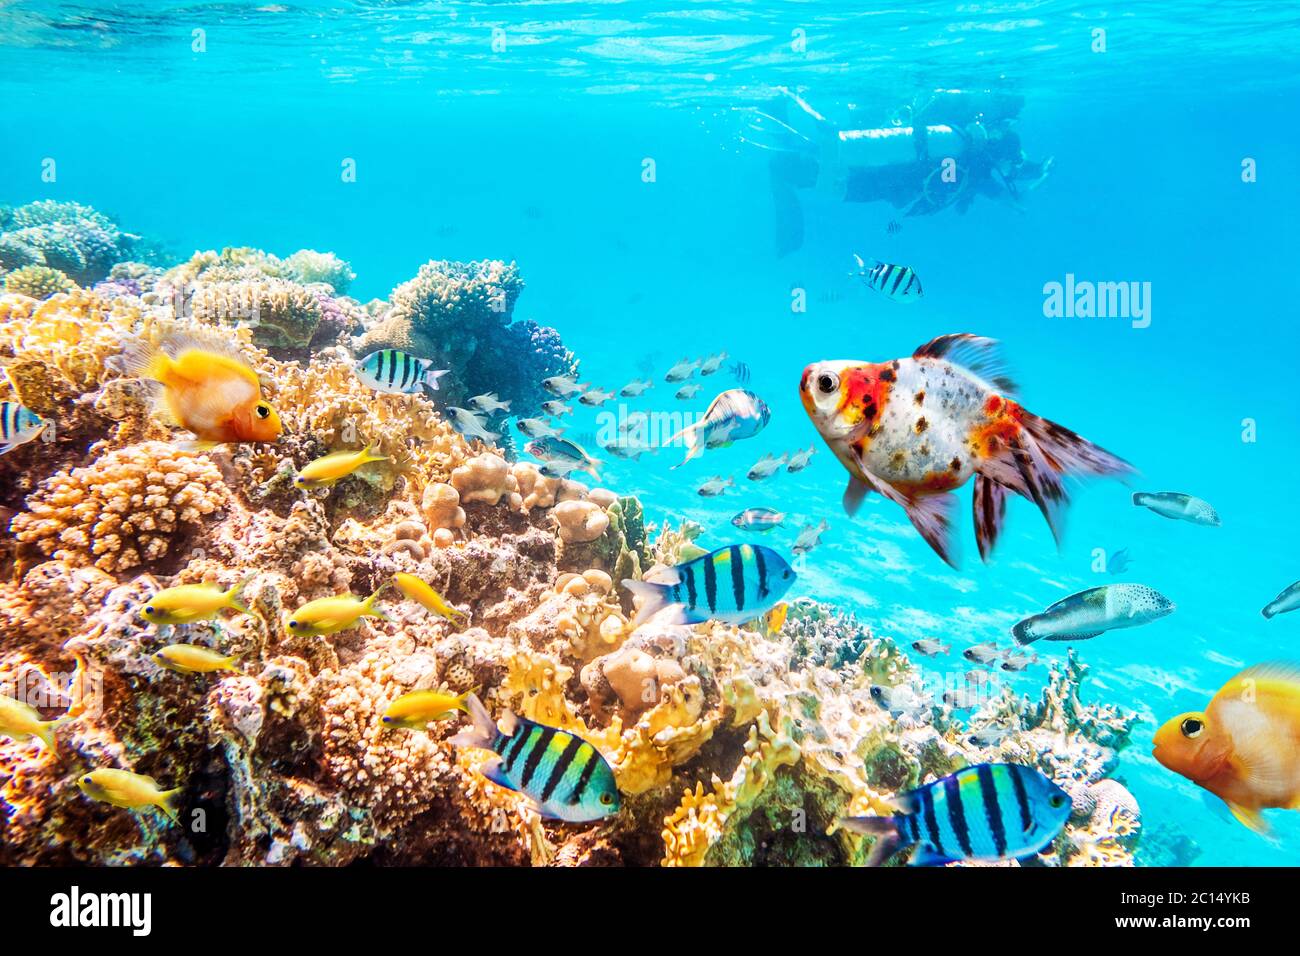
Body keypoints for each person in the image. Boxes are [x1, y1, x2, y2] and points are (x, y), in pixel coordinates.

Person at [743, 88, 1053, 255]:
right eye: (1014, 162)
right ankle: (778, 116)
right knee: (804, 163)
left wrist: (1026, 181)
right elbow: (1000, 188)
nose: (1013, 167)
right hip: (875, 178)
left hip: (880, 168)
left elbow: (999, 183)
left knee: (812, 157)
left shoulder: (970, 158)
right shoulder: (976, 164)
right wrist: (1018, 194)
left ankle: (779, 118)